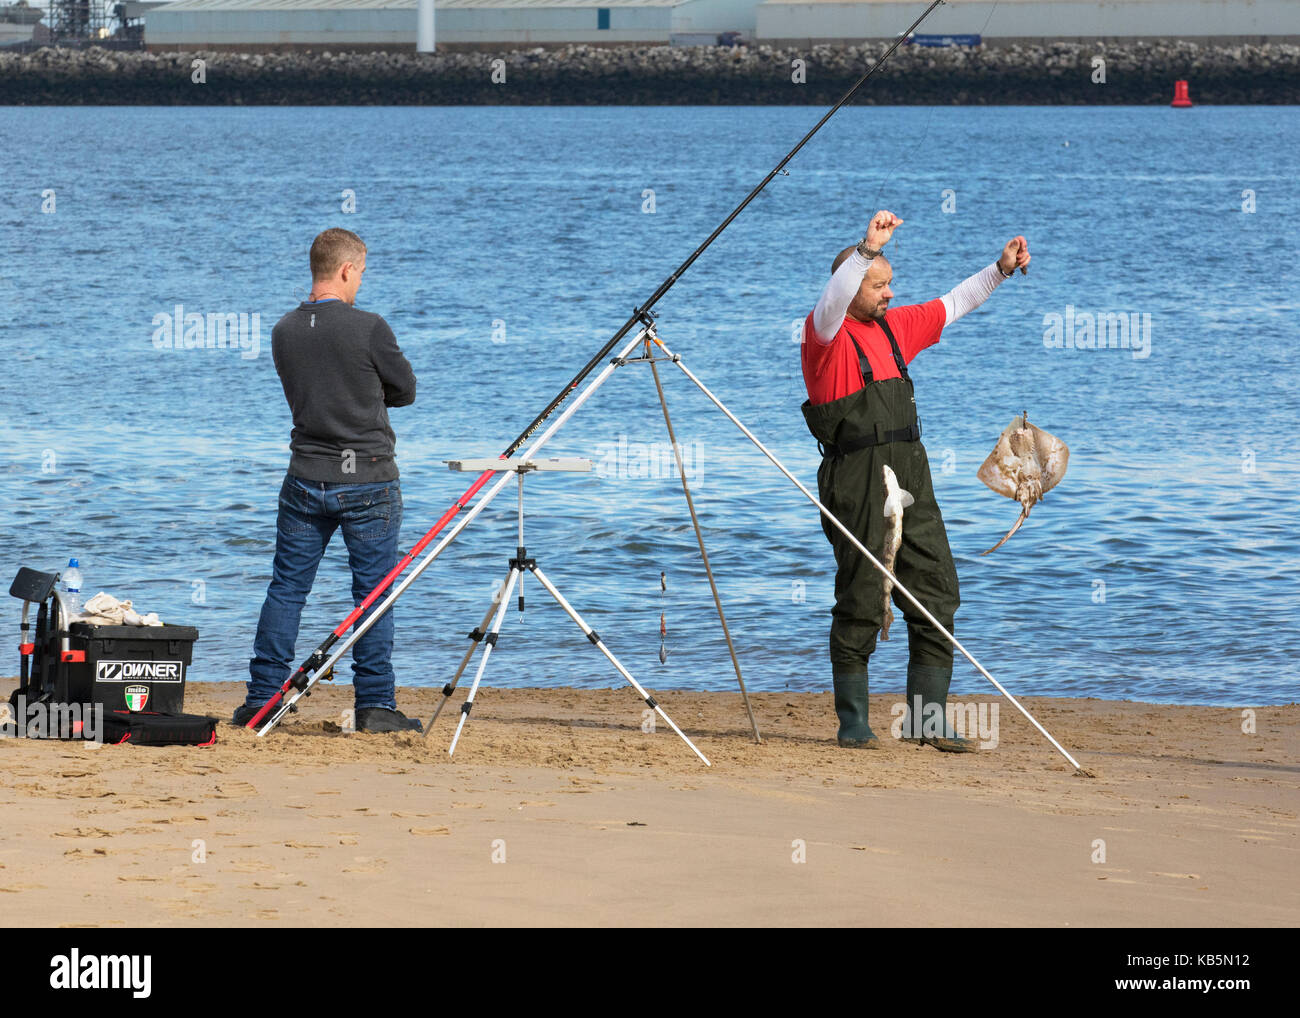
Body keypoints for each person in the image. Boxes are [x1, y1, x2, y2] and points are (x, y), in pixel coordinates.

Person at [800, 210, 1029, 751]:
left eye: (889, 283)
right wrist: (864, 248)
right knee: (861, 595)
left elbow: (954, 304)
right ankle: (853, 721)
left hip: (911, 474)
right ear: (853, 284)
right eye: (880, 284)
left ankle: (927, 719)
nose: (890, 292)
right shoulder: (824, 337)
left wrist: (998, 269)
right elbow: (832, 300)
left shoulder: (896, 327)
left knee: (938, 591)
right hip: (855, 479)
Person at [235, 228, 421, 733]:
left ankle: (261, 698)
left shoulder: (283, 330)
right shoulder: (369, 327)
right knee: (374, 594)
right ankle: (375, 704)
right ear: (346, 270)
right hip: (368, 480)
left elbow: (317, 388)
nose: (361, 280)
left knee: (287, 588)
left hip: (304, 477)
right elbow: (405, 390)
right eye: (360, 272)